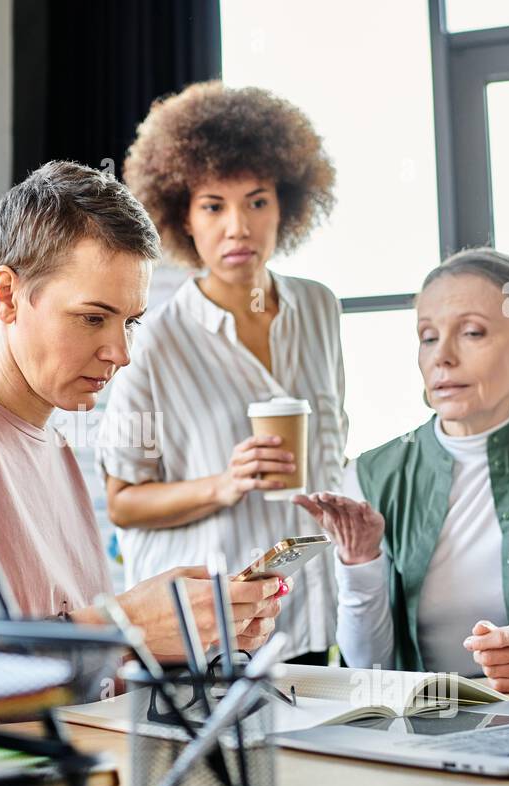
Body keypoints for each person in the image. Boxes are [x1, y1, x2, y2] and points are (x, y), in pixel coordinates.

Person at [0, 161, 286, 665]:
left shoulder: (55, 447)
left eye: (130, 323)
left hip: (79, 738)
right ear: (6, 296)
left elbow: (75, 670)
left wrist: (181, 638)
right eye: (92, 318)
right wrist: (122, 628)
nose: (120, 352)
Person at [98, 81, 346, 664]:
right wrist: (225, 484)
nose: (238, 226)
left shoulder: (320, 308)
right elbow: (123, 501)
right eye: (214, 205)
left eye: (257, 201)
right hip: (209, 632)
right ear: (183, 216)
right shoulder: (153, 340)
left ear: (286, 207)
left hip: (309, 621)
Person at [293, 247, 509, 693]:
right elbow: (369, 666)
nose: (442, 357)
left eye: (472, 333)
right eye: (427, 336)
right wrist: (359, 562)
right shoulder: (369, 474)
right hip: (419, 727)